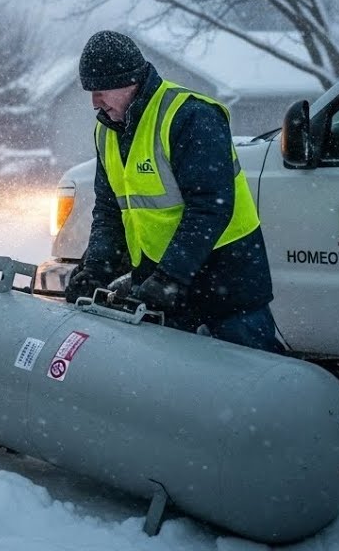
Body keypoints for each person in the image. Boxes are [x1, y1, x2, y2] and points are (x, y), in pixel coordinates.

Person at [62, 31, 284, 353]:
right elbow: (109, 211)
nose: (95, 102)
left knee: (253, 375)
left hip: (225, 282)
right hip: (167, 288)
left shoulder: (190, 116)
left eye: (100, 90)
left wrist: (170, 277)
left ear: (130, 81)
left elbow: (211, 207)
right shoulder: (106, 132)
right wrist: (96, 268)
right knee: (187, 392)